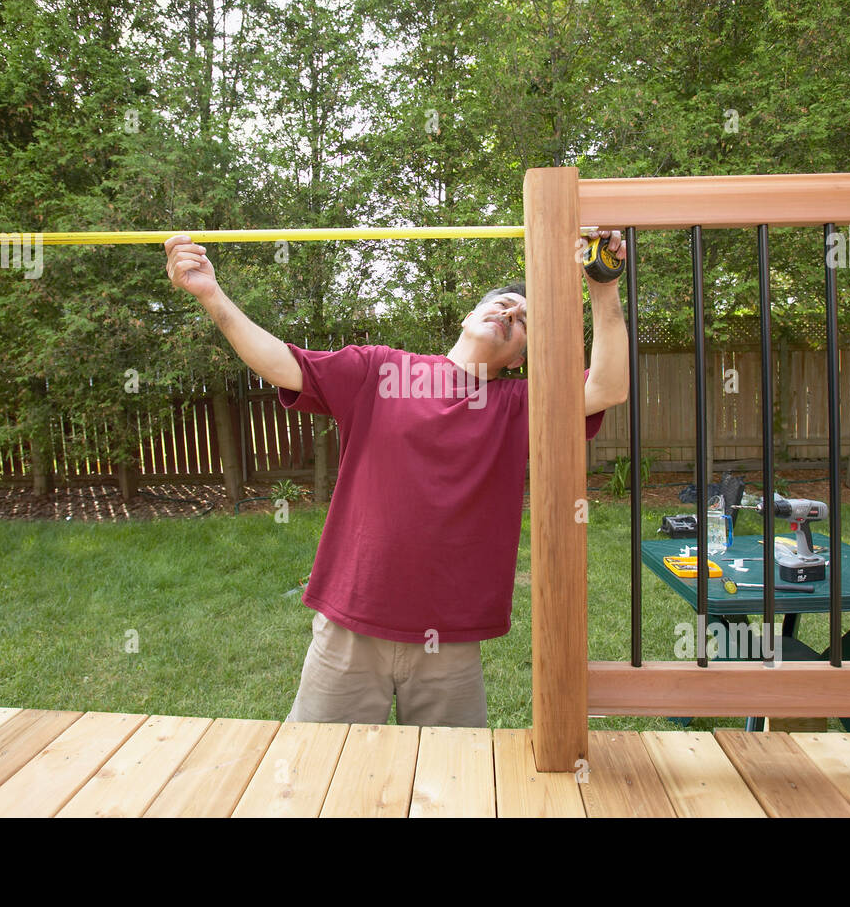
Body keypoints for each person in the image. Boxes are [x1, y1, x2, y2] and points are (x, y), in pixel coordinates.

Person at [163, 229, 629, 727]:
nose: (509, 316)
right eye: (502, 306)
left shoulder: (518, 406)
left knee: (449, 788)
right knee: (317, 780)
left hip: (450, 639)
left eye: (521, 324)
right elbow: (282, 364)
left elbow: (606, 387)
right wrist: (211, 294)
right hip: (351, 625)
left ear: (519, 359)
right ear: (469, 316)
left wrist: (602, 285)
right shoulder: (379, 370)